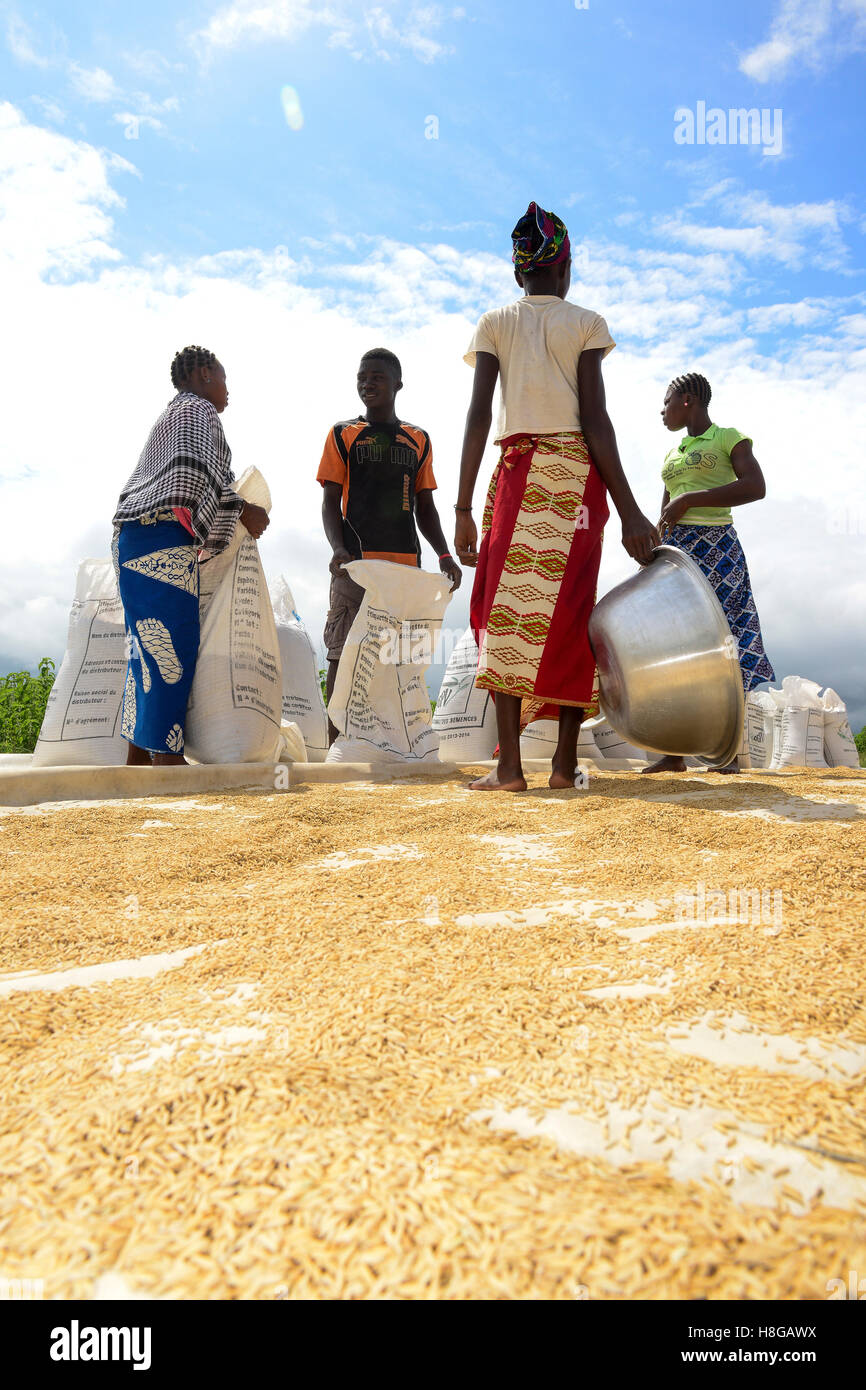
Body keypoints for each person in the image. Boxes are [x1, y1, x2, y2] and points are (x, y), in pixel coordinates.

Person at [455, 201, 658, 792]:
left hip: (517, 475)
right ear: (565, 268)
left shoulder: (495, 322)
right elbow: (597, 419)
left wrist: (464, 507)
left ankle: (511, 768)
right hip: (576, 479)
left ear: (519, 272)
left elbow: (476, 418)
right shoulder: (586, 322)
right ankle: (564, 768)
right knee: (571, 614)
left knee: (501, 617)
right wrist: (629, 511)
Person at [112, 346, 269, 767]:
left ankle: (136, 759)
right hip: (159, 538)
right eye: (222, 378)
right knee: (172, 647)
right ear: (202, 375)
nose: (226, 389)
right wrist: (243, 510)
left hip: (134, 538)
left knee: (142, 647)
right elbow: (195, 471)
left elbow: (193, 477)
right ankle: (166, 759)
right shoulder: (197, 411)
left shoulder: (172, 414)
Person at [317, 347, 461, 743]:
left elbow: (425, 507)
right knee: (342, 652)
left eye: (377, 376)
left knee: (399, 659)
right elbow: (330, 502)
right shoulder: (343, 433)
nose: (368, 383)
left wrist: (445, 554)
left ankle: (399, 743)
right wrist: (337, 549)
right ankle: (337, 744)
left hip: (404, 571)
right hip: (356, 566)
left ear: (398, 384)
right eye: (363, 377)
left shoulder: (417, 439)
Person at [642, 372, 775, 775]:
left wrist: (694, 498)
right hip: (679, 554)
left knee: (723, 642)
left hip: (718, 548)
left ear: (687, 401)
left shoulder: (728, 438)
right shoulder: (674, 452)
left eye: (666, 402)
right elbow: (666, 510)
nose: (661, 410)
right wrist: (653, 547)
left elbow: (756, 486)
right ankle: (674, 753)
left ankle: (728, 751)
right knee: (677, 646)